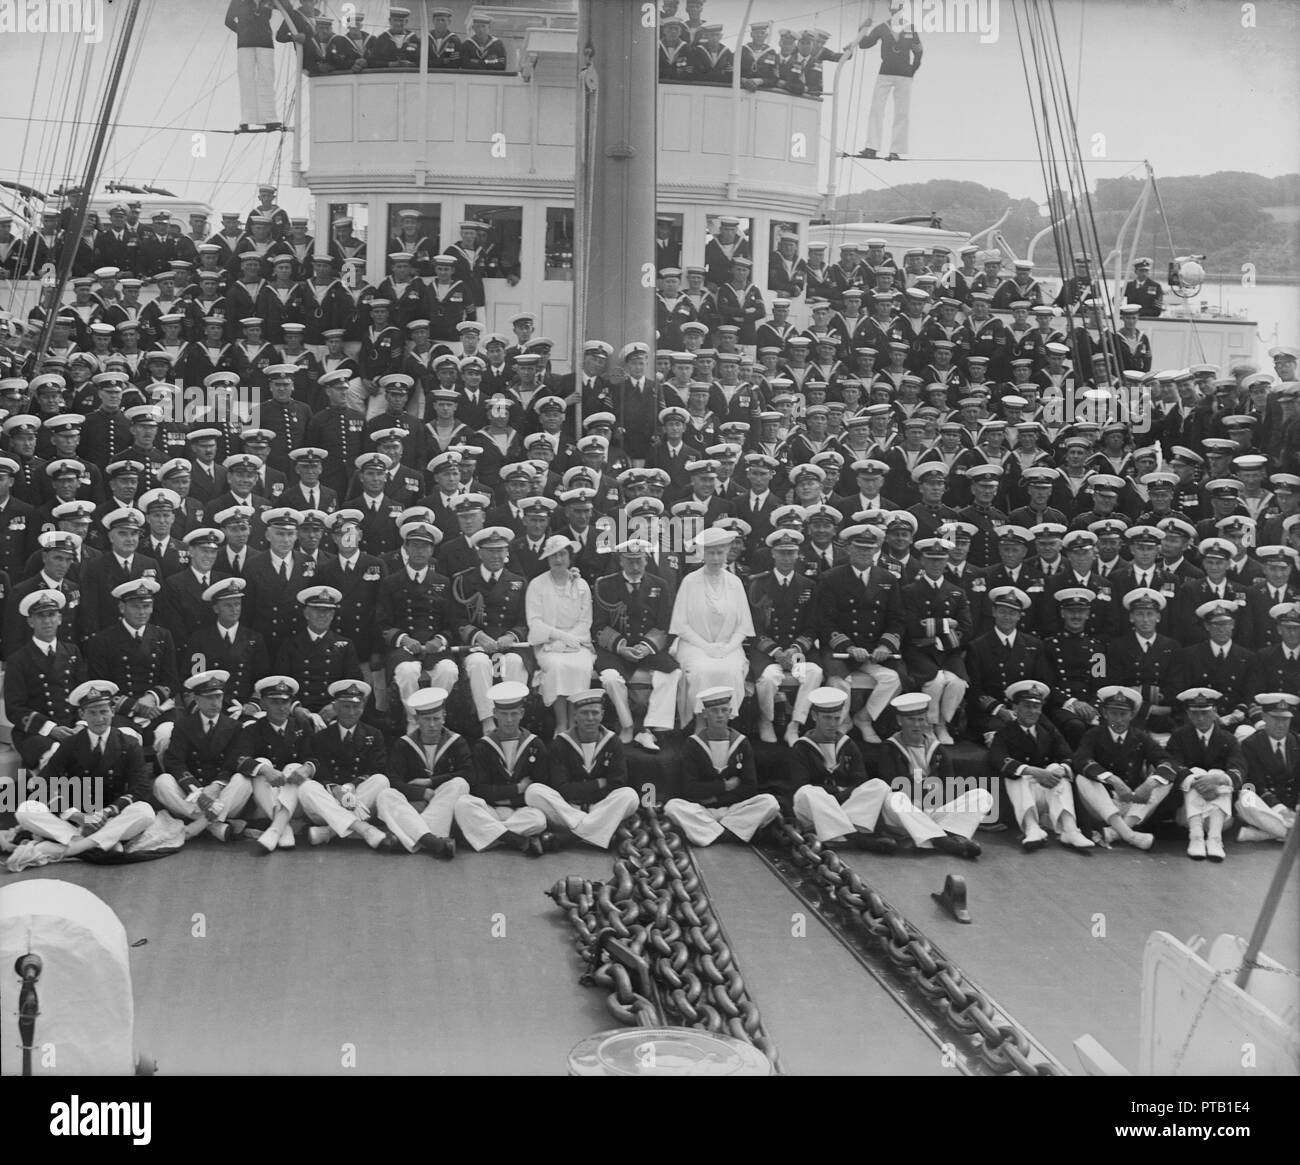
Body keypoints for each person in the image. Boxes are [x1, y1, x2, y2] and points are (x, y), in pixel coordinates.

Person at [7, 681, 156, 869]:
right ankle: (98, 844)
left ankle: (70, 849)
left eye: (103, 711)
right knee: (26, 809)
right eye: (92, 713)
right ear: (82, 715)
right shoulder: (70, 744)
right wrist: (76, 816)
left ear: (112, 711)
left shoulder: (128, 743)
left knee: (145, 812)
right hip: (78, 819)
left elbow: (141, 787)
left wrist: (108, 812)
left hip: (111, 817)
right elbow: (42, 784)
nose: (99, 719)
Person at [813, 523, 905, 743]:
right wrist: (849, 647)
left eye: (869, 548)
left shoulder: (887, 579)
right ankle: (841, 725)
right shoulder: (831, 578)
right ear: (848, 549)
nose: (864, 553)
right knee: (838, 681)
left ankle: (864, 718)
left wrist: (885, 646)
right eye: (859, 548)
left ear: (876, 550)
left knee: (894, 679)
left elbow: (897, 619)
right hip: (841, 650)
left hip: (874, 649)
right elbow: (824, 621)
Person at [664, 687, 781, 846]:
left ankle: (710, 832)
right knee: (672, 807)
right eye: (713, 711)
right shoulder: (693, 744)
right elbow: (689, 788)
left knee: (770, 802)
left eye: (723, 710)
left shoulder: (742, 743)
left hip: (734, 809)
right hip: (703, 809)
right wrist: (724, 786)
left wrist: (717, 797)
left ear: (730, 712)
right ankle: (731, 832)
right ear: (704, 713)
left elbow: (750, 787)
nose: (719, 715)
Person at [987, 680, 1094, 851]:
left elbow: (1067, 756)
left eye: (1036, 707)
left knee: (1056, 769)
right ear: (1015, 708)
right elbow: (997, 759)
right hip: (1022, 795)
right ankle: (1032, 828)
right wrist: (1033, 771)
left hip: (1047, 791)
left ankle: (1070, 830)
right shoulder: (1004, 732)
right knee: (1018, 773)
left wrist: (1059, 770)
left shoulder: (1048, 730)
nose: (1032, 711)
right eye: (1027, 706)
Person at [525, 689, 638, 849]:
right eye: (584, 713)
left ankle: (569, 837)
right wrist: (598, 783)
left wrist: (582, 791)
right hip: (570, 808)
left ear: (602, 714)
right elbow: (561, 788)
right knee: (533, 791)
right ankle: (596, 830)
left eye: (594, 713)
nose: (590, 718)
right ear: (575, 716)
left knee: (630, 796)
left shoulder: (613, 742)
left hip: (601, 806)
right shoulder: (561, 743)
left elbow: (617, 784)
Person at [1072, 685, 1180, 850]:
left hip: (1132, 803)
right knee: (1082, 778)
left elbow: (1168, 762)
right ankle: (1129, 835)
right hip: (1103, 804)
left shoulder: (1140, 737)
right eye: (1114, 714)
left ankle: (1114, 833)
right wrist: (1113, 780)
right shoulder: (1093, 735)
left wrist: (1150, 783)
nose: (1119, 720)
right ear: (1105, 713)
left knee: (1165, 780)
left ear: (1132, 715)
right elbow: (1081, 760)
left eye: (1123, 714)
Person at [788, 687, 897, 851]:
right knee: (808, 792)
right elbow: (799, 785)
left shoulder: (848, 745)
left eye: (837, 718)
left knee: (879, 785)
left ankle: (840, 831)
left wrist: (837, 794)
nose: (832, 724)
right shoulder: (801, 747)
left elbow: (860, 783)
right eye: (827, 718)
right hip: (814, 813)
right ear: (814, 716)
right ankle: (858, 838)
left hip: (843, 808)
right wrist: (838, 790)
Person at [153, 670, 255, 842]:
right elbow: (174, 762)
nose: (215, 702)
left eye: (218, 697)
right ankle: (215, 825)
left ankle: (199, 826)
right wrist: (197, 792)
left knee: (243, 781)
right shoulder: (183, 726)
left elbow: (233, 762)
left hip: (221, 793)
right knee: (161, 783)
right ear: (197, 700)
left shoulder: (234, 727)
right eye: (209, 698)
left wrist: (214, 787)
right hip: (99, 808)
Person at [454, 681, 551, 855]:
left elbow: (540, 787)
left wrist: (505, 798)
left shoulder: (535, 744)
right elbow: (480, 790)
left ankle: (489, 834)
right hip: (492, 810)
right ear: (495, 713)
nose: (508, 720)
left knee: (539, 820)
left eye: (514, 714)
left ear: (522, 713)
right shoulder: (483, 746)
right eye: (504, 714)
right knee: (463, 804)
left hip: (520, 812)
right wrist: (517, 788)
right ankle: (516, 840)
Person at [669, 525, 755, 723]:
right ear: (702, 554)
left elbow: (743, 626)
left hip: (728, 646)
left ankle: (724, 722)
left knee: (732, 671)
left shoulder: (735, 583)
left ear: (726, 553)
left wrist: (727, 648)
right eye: (710, 553)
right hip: (695, 646)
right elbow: (681, 625)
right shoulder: (690, 581)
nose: (716, 558)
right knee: (701, 671)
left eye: (719, 553)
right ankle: (700, 721)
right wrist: (707, 647)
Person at [451, 526, 532, 733]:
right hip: (478, 645)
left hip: (509, 645)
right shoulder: (464, 581)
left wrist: (511, 635)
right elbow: (457, 619)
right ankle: (488, 721)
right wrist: (478, 636)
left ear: (507, 553)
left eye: (500, 550)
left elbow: (524, 621)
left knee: (515, 662)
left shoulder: (518, 582)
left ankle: (513, 719)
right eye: (490, 551)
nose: (495, 556)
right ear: (479, 553)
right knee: (478, 663)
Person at [747, 529, 824, 745]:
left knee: (812, 672)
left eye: (791, 553)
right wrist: (777, 652)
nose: (786, 558)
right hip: (769, 653)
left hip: (794, 654)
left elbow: (811, 626)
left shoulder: (808, 586)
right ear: (772, 554)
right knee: (769, 679)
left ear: (797, 555)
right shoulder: (758, 585)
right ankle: (766, 720)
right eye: (782, 553)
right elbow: (754, 627)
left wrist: (794, 649)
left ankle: (795, 725)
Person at [380, 687, 466, 858]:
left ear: (444, 717)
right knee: (385, 795)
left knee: (460, 784)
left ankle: (416, 838)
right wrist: (421, 793)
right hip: (414, 804)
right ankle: (436, 842)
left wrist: (430, 783)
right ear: (417, 719)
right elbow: (394, 780)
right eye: (426, 719)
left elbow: (469, 774)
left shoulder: (457, 742)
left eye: (436, 718)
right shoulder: (404, 744)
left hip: (442, 802)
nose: (432, 725)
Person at [526, 534, 596, 735]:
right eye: (553, 556)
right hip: (548, 644)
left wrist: (569, 640)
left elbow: (585, 621)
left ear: (569, 556)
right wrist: (558, 637)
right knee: (557, 666)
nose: (558, 560)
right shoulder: (536, 585)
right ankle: (561, 723)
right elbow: (535, 622)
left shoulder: (581, 586)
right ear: (547, 559)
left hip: (578, 643)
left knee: (580, 666)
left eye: (562, 554)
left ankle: (574, 724)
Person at [1166, 687, 1244, 861]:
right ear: (1188, 713)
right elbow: (1173, 764)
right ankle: (1196, 837)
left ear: (1215, 712)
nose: (1200, 718)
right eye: (1195, 713)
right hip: (1187, 814)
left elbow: (1239, 769)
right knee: (1194, 773)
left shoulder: (1228, 739)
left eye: (1205, 713)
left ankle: (1215, 839)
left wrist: (1216, 780)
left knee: (1218, 774)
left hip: (1220, 817)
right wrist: (1197, 781)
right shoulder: (1179, 737)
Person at [849, 2, 923, 161]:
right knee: (876, 109)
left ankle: (896, 150)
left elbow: (919, 51)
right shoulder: (882, 28)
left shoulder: (910, 28)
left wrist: (912, 70)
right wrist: (862, 28)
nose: (896, 11)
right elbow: (864, 44)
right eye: (894, 8)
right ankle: (871, 147)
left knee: (901, 112)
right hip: (885, 73)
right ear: (890, 10)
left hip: (904, 75)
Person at [1237, 692, 1298, 842]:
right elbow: (1252, 783)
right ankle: (1292, 834)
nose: (1281, 724)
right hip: (1266, 806)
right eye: (1276, 718)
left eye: (1285, 719)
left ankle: (1265, 834)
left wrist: (1296, 807)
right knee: (1245, 797)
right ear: (1264, 717)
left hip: (1293, 806)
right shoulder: (1250, 744)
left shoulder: (1297, 741)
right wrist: (1279, 808)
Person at [225, 0, 283, 131]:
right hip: (245, 44)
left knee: (267, 79)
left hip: (265, 43)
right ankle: (246, 118)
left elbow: (287, 9)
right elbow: (228, 20)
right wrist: (243, 30)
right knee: (246, 79)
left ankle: (269, 118)